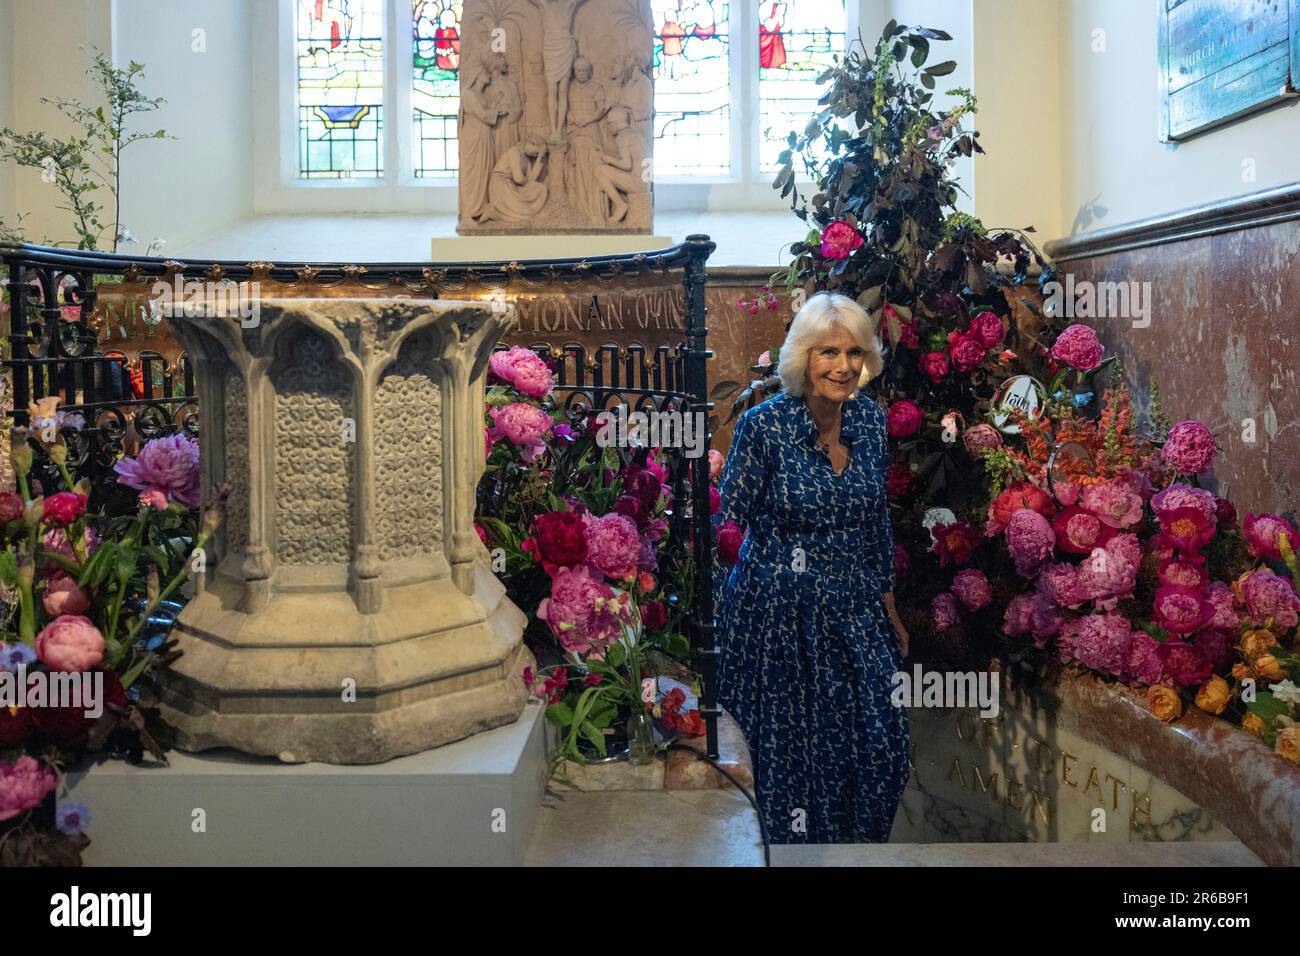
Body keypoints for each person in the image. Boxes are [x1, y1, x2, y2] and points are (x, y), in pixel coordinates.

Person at [714, 292, 910, 844]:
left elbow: (876, 523)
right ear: (803, 357)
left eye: (853, 352)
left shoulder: (870, 422)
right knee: (790, 768)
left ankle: (857, 859)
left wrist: (889, 609)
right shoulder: (762, 427)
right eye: (828, 352)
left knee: (881, 750)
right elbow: (727, 529)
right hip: (777, 618)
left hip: (856, 612)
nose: (842, 366)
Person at [482, 139, 550, 223]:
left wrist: (540, 158)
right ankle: (493, 212)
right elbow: (518, 178)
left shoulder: (526, 159)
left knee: (542, 188)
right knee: (524, 212)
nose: (535, 156)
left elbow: (531, 179)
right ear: (531, 143)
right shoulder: (514, 152)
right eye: (537, 153)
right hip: (501, 185)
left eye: (538, 155)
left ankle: (499, 211)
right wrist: (528, 184)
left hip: (513, 186)